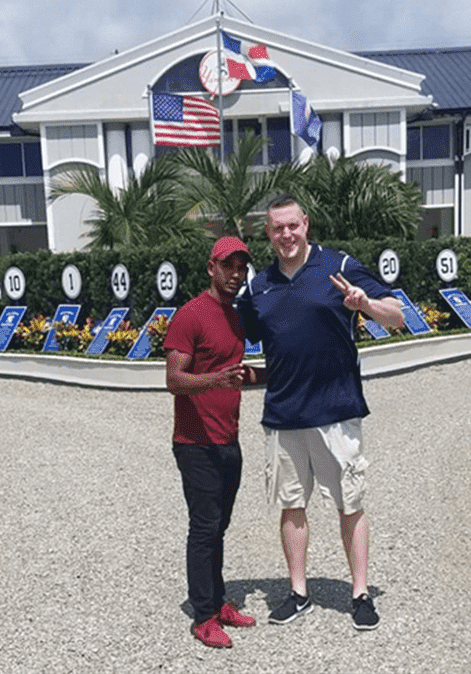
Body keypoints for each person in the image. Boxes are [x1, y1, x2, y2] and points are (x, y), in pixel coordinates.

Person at [237, 194, 405, 631]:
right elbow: (238, 335)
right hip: (284, 415)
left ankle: (361, 593)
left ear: (306, 224)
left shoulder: (341, 267)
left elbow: (398, 317)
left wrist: (364, 305)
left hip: (336, 411)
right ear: (268, 234)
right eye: (277, 229)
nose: (286, 235)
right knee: (291, 506)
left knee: (350, 504)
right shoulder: (260, 287)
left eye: (293, 226)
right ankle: (298, 592)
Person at [164, 236, 263, 649]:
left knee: (219, 527)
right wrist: (213, 380)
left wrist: (281, 374)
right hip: (195, 442)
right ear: (211, 268)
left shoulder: (237, 317)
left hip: (228, 439)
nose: (235, 275)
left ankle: (218, 600)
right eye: (228, 266)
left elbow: (237, 372)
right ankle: (203, 616)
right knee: (204, 528)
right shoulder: (190, 316)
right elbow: (173, 380)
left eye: (241, 268)